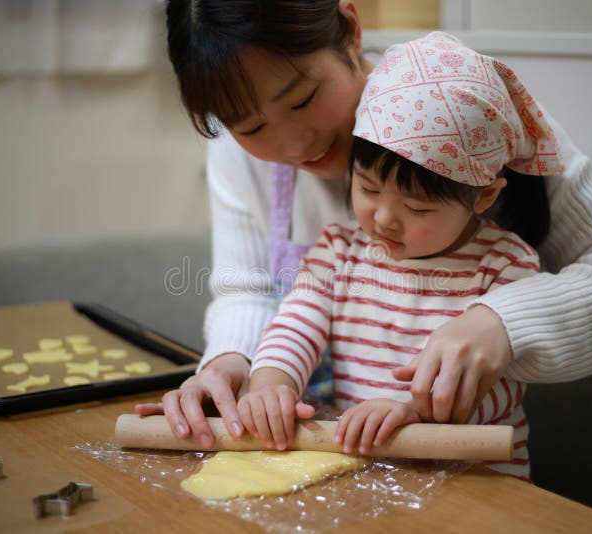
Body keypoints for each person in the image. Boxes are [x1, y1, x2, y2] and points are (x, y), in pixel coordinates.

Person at [135, 0, 592, 454]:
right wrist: (235, 361)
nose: (295, 145)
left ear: (349, 30)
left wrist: (502, 322)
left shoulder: (465, 113)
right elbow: (249, 288)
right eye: (250, 127)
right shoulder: (246, 163)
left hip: (468, 459)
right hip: (323, 451)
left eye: (302, 98)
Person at [238, 31, 564, 479]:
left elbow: (503, 388)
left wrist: (419, 411)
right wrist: (271, 382)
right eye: (368, 188)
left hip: (477, 482)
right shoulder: (339, 250)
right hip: (367, 472)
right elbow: (297, 323)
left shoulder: (506, 265)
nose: (385, 219)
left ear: (484, 196)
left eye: (416, 207)